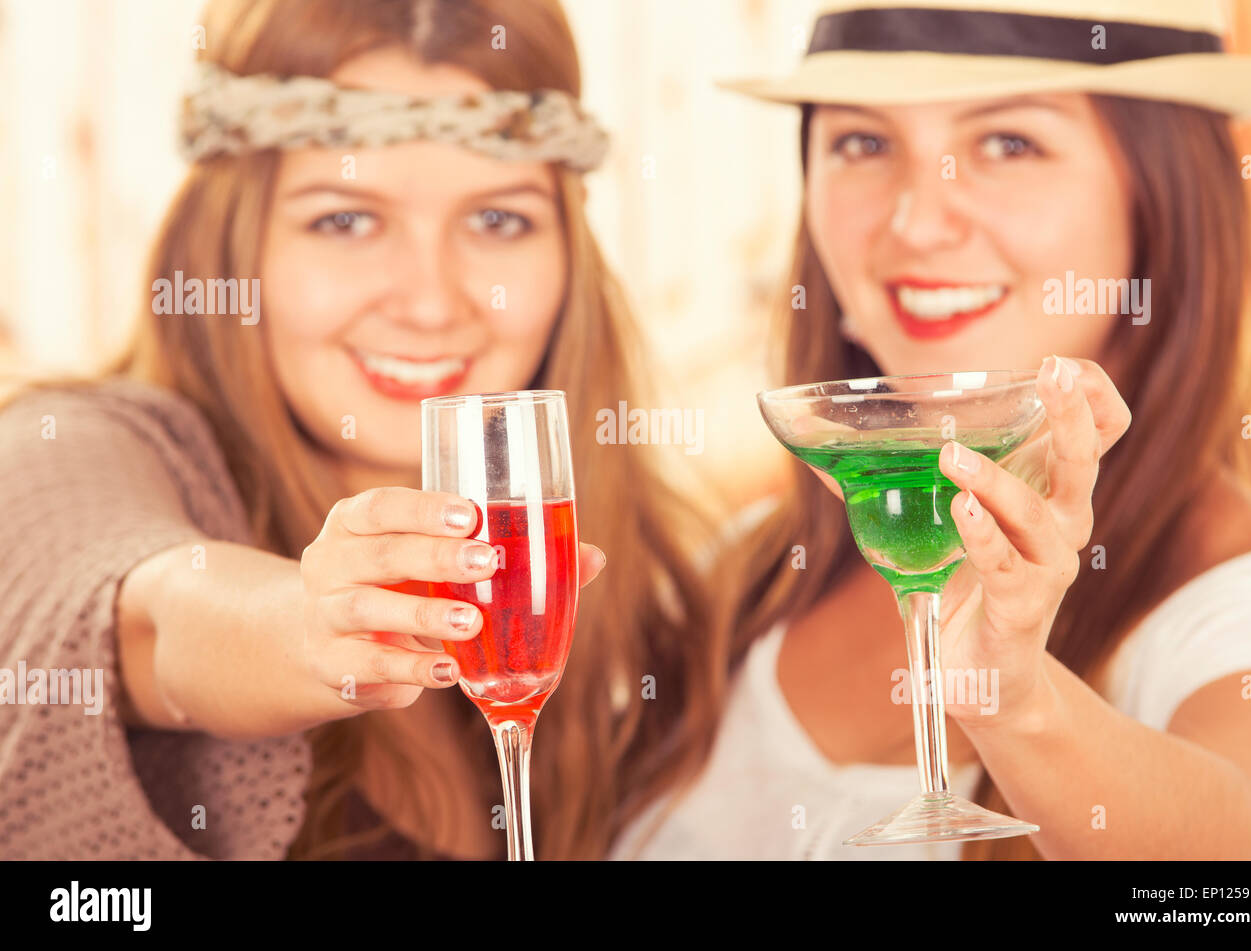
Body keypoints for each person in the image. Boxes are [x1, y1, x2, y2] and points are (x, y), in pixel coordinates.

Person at [0, 0, 718, 861]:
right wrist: (309, 622)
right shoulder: (70, 446)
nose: (427, 300)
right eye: (345, 219)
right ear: (231, 245)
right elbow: (152, 620)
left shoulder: (626, 573)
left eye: (498, 220)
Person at [612, 0, 1251, 860]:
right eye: (863, 142)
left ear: (1160, 194)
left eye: (1008, 143)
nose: (916, 222)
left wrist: (1013, 697)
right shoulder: (737, 579)